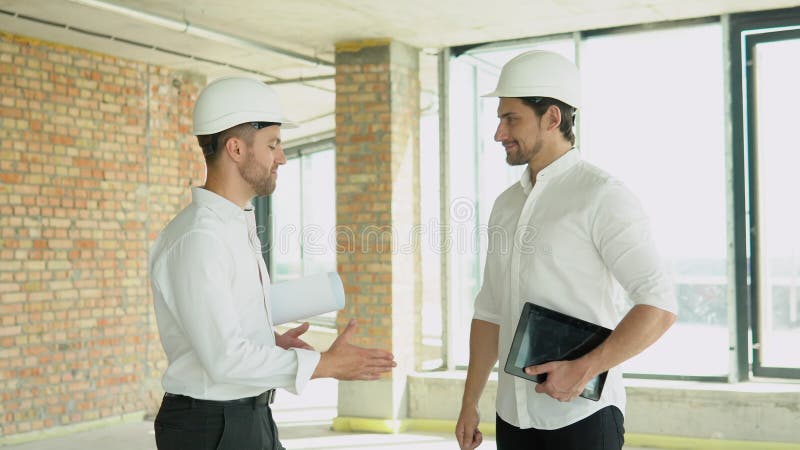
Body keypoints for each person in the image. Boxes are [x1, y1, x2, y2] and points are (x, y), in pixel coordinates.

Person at [149, 76, 396, 450]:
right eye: (272, 145)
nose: (281, 157)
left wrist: (268, 340)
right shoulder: (200, 238)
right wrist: (326, 364)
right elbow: (224, 359)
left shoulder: (232, 225)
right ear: (236, 149)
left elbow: (217, 331)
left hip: (246, 415)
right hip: (213, 427)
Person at [454, 50, 678, 450]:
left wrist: (585, 369)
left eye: (511, 119)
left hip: (582, 420)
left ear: (552, 118)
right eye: (500, 119)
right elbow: (489, 311)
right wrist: (469, 402)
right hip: (512, 418)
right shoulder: (505, 206)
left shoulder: (603, 196)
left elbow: (659, 305)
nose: (499, 133)